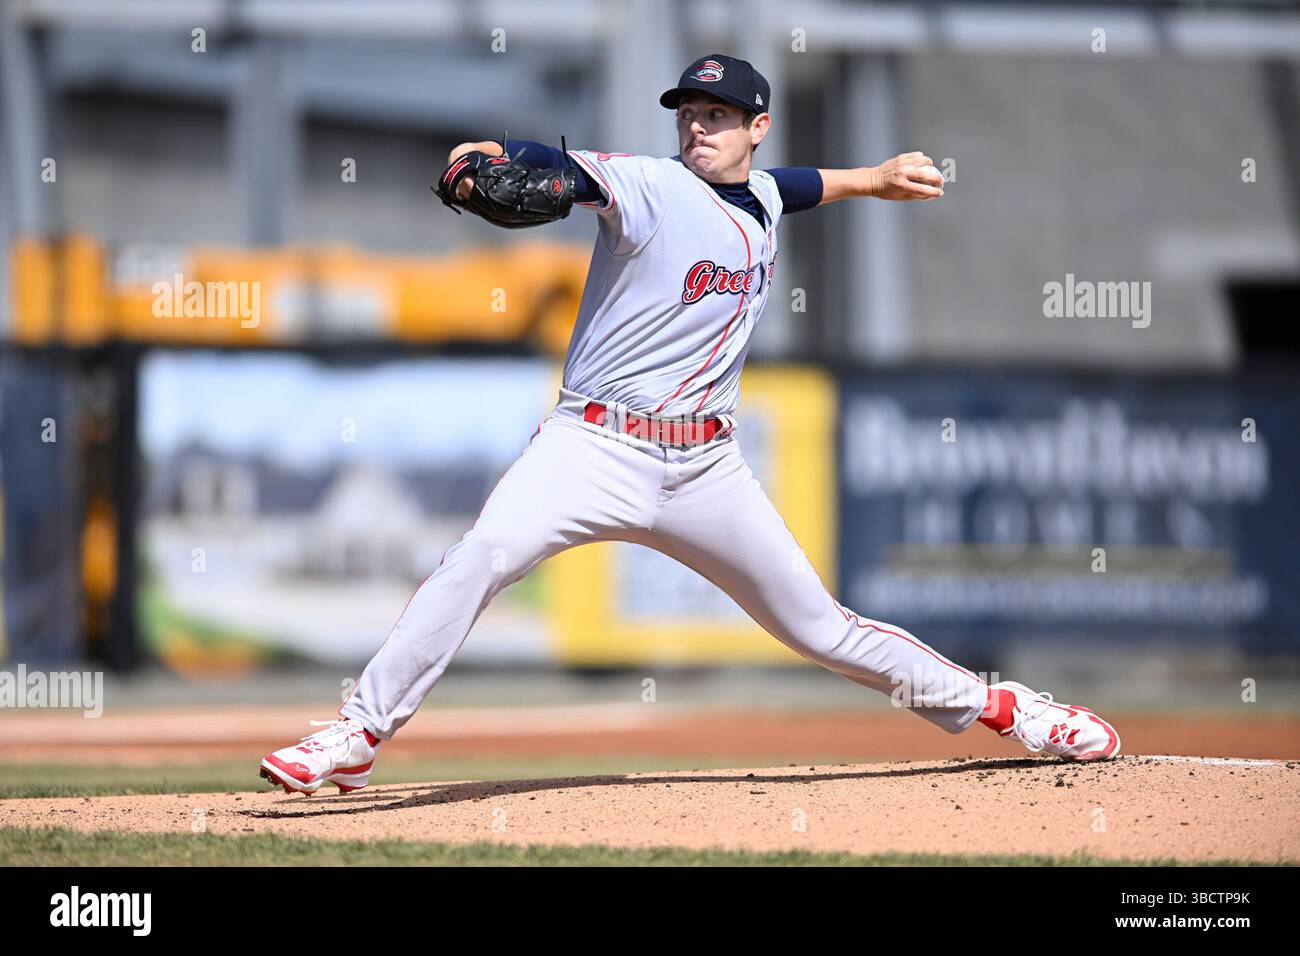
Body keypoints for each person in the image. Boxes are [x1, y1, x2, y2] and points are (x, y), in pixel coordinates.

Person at [259, 54, 1119, 796]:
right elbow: (565, 176)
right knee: (478, 557)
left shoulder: (763, 198)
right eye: (689, 114)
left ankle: (1014, 711)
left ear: (757, 128)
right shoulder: (649, 184)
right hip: (592, 446)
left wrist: (870, 179)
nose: (698, 128)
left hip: (706, 470)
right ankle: (356, 736)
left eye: (718, 116)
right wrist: (487, 157)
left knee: (821, 628)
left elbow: (791, 187)